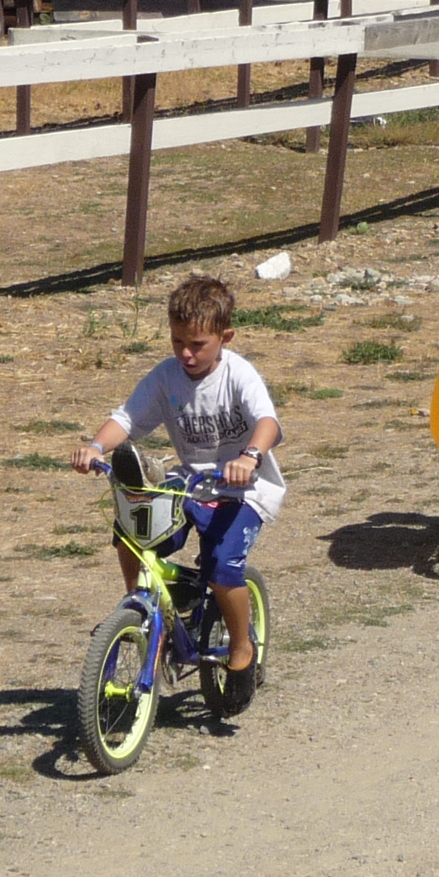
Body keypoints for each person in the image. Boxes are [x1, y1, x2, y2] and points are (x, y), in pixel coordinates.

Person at [71, 274, 283, 714]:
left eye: (198, 344)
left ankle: (242, 650)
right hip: (191, 481)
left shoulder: (238, 374)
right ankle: (140, 613)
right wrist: (95, 446)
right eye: (177, 342)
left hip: (243, 489)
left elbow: (268, 423)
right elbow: (128, 418)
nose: (186, 353)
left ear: (225, 337)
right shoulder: (167, 377)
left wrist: (250, 456)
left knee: (224, 568)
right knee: (132, 524)